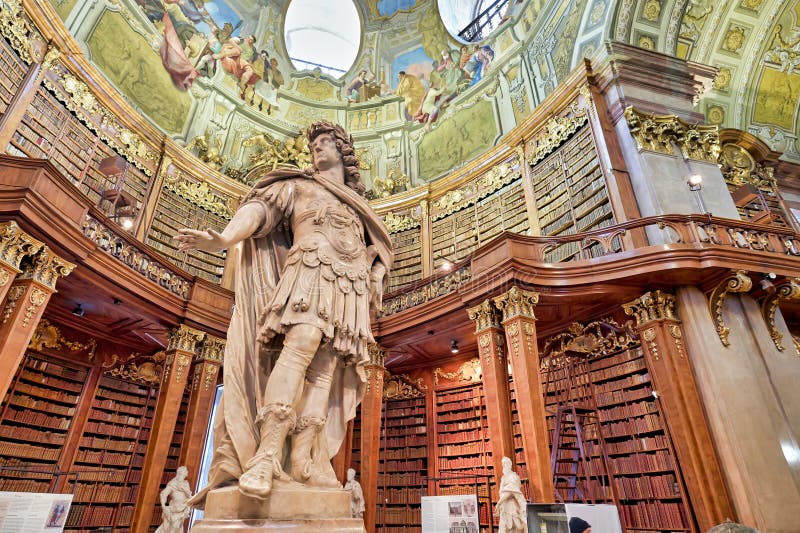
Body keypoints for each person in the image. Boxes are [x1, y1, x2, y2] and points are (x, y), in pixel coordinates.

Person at [177, 121, 392, 504]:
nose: (316, 150)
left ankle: (302, 461)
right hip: (310, 266)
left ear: (343, 151)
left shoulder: (359, 207)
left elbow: (379, 248)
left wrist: (376, 273)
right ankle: (266, 454)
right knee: (300, 345)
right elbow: (260, 210)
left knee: (327, 367)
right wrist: (226, 238)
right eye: (313, 146)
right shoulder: (296, 185)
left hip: (351, 283)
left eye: (324, 143)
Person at [155, 466, 192, 533]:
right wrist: (163, 506)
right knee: (172, 527)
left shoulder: (186, 484)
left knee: (178, 528)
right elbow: (163, 494)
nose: (186, 473)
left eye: (185, 472)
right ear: (179, 473)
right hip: (175, 508)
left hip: (183, 507)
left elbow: (189, 495)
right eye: (182, 472)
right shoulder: (173, 484)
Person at [495, 457, 527, 533]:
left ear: (509, 465)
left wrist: (499, 503)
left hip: (511, 505)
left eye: (504, 464)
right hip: (504, 506)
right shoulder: (503, 477)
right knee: (503, 528)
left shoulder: (513, 477)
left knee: (518, 526)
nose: (503, 466)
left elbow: (510, 491)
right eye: (503, 464)